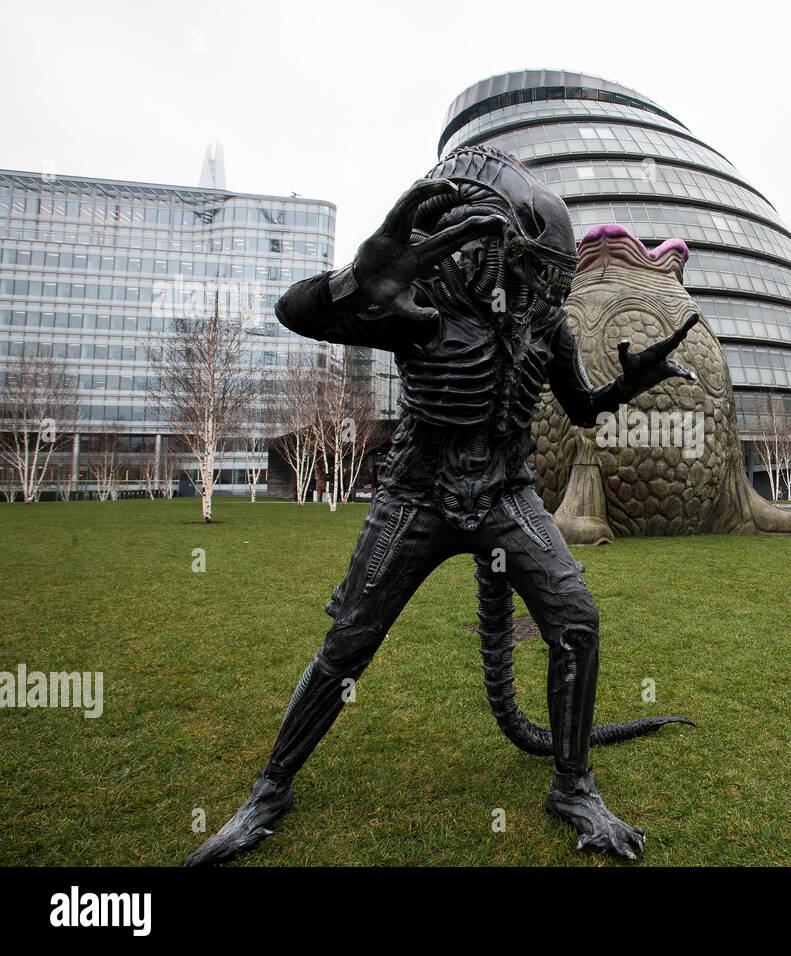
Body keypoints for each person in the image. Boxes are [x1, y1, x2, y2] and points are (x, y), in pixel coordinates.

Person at [184, 147, 697, 866]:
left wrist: (626, 385)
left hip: (506, 495)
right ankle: (271, 786)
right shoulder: (418, 304)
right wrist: (357, 281)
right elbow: (293, 311)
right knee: (350, 639)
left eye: (549, 278)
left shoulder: (546, 325)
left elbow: (580, 407)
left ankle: (573, 784)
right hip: (416, 494)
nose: (539, 290)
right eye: (530, 271)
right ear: (495, 256)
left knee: (576, 622)